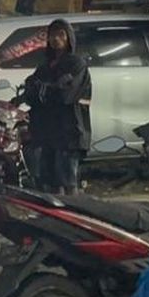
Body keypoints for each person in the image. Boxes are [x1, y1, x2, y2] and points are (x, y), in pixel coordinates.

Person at [18, 19, 91, 195]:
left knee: (67, 181)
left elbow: (65, 95)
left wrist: (43, 90)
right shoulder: (44, 66)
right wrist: (38, 92)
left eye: (61, 34)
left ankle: (73, 209)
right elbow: (30, 91)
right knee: (48, 181)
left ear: (69, 38)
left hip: (68, 132)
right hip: (46, 132)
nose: (56, 39)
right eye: (52, 35)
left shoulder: (76, 64)